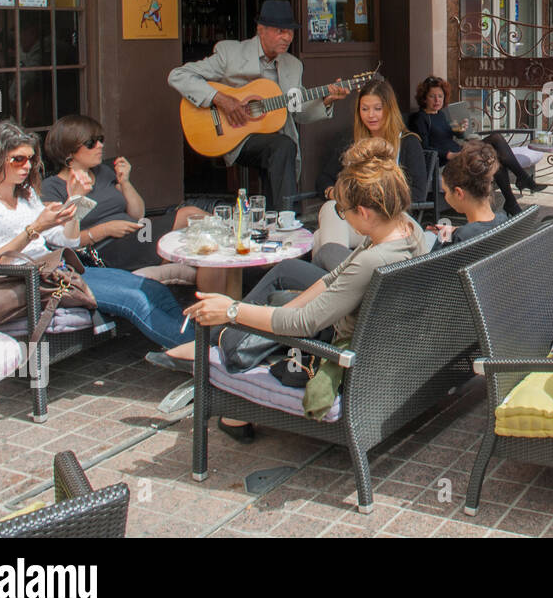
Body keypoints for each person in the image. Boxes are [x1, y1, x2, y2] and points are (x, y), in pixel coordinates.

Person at [168, 139, 432, 437]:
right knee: (284, 281)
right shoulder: (406, 228)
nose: (344, 218)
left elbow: (304, 324)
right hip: (386, 343)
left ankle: (220, 367)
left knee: (234, 343)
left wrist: (231, 310)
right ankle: (225, 366)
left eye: (344, 212)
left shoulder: (374, 260)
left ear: (365, 212)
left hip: (353, 359)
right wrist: (282, 310)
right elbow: (332, 279)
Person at [0, 122, 192, 352]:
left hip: (55, 269)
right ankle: (199, 356)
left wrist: (76, 203)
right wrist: (34, 229)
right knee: (135, 300)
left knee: (151, 288)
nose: (27, 166)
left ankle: (198, 345)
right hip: (22, 281)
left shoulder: (25, 194)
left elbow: (67, 239)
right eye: (19, 159)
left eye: (31, 159)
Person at [167, 0, 349, 210]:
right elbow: (178, 75)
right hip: (233, 134)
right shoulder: (230, 54)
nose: (287, 37)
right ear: (261, 30)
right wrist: (221, 99)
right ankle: (286, 218)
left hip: (273, 139)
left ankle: (277, 217)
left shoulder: (293, 65)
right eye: (280, 31)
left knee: (281, 147)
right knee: (282, 147)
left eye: (290, 32)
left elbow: (297, 111)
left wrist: (326, 100)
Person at [39, 115, 209, 282]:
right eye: (91, 143)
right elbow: (61, 241)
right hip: (103, 249)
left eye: (101, 139)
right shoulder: (52, 187)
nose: (100, 146)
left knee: (191, 215)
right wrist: (106, 229)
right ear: (69, 151)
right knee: (190, 222)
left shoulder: (103, 172)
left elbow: (137, 214)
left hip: (137, 232)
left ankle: (230, 245)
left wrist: (125, 182)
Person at [312, 77, 427, 271]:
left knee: (320, 240)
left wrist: (378, 204)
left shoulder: (407, 142)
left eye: (377, 108)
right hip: (359, 221)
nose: (371, 115)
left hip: (391, 222)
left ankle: (341, 284)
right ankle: (347, 284)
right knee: (332, 208)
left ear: (389, 109)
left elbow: (418, 194)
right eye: (364, 109)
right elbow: (323, 179)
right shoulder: (353, 141)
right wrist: (334, 193)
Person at [409, 75, 538, 217]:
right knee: (496, 138)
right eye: (432, 96)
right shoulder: (420, 119)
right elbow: (424, 148)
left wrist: (460, 131)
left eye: (440, 96)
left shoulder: (440, 115)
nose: (437, 100)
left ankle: (512, 202)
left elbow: (446, 137)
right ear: (424, 98)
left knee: (496, 159)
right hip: (447, 162)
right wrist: (449, 155)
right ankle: (522, 181)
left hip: (461, 154)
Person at [429, 141, 508, 248]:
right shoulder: (504, 221)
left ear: (459, 193)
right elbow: (478, 229)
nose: (446, 196)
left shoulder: (460, 240)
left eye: (446, 191)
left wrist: (443, 239)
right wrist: (457, 230)